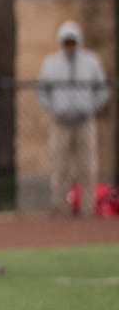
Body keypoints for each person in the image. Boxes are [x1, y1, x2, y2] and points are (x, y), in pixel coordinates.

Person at [36, 20, 110, 216]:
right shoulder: (51, 63)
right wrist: (54, 108)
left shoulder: (91, 61)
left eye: (73, 42)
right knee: (60, 166)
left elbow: (102, 89)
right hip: (60, 122)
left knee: (88, 166)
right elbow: (42, 92)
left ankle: (88, 208)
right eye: (66, 42)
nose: (70, 46)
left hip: (85, 121)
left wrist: (91, 107)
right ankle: (60, 207)